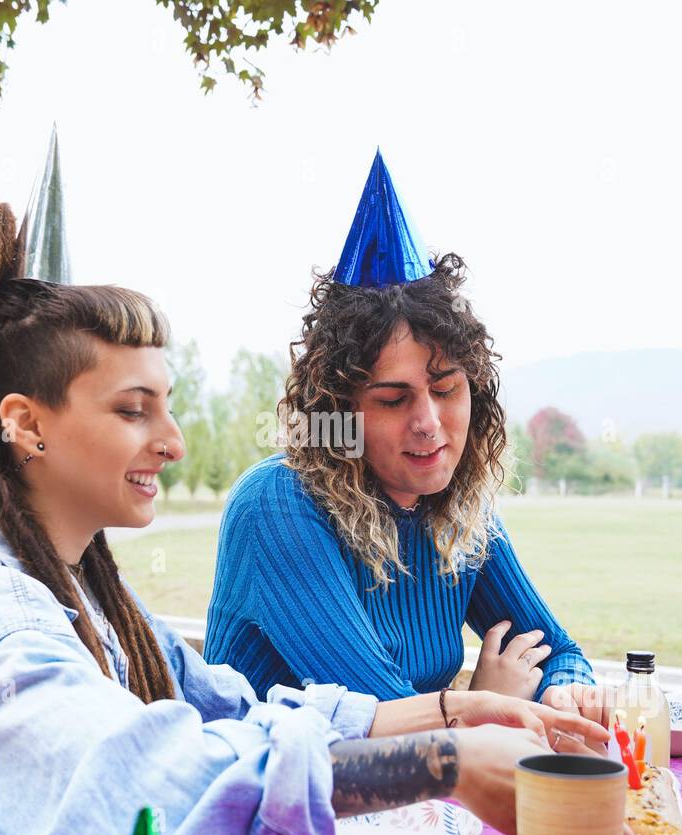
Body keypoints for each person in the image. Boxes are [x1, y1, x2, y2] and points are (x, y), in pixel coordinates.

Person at [0, 190, 625, 835]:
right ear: (27, 426)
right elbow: (161, 785)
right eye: (134, 409)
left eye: (166, 406)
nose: (173, 443)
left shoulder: (88, 598)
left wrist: (458, 711)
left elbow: (243, 709)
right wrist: (446, 756)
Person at [204, 151, 609, 738]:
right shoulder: (279, 504)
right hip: (286, 808)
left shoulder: (462, 514)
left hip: (411, 812)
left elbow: (559, 652)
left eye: (445, 389)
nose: (429, 422)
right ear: (339, 410)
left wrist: (566, 691)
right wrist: (483, 705)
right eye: (393, 401)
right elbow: (379, 717)